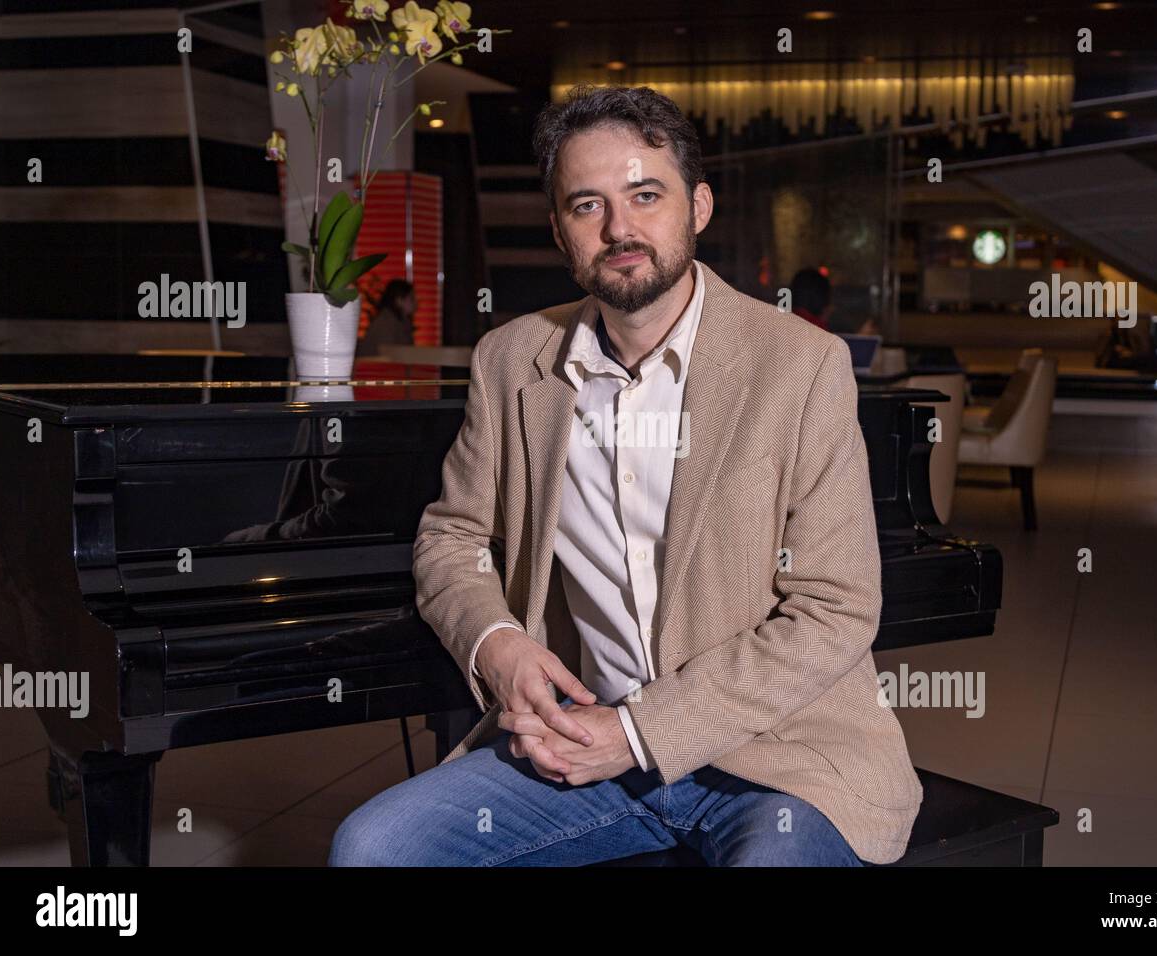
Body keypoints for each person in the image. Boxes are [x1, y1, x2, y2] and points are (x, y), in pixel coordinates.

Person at [329, 84, 921, 867]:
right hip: (585, 747)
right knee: (373, 850)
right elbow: (453, 536)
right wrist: (497, 644)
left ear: (698, 206)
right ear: (559, 232)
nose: (620, 229)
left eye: (646, 194)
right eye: (587, 205)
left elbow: (836, 611)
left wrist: (640, 734)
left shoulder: (801, 366)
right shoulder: (510, 363)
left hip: (780, 759)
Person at [356, 279, 416, 355]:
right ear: (399, 300)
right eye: (411, 298)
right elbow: (388, 354)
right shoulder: (386, 323)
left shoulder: (402, 322)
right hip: (373, 365)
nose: (415, 302)